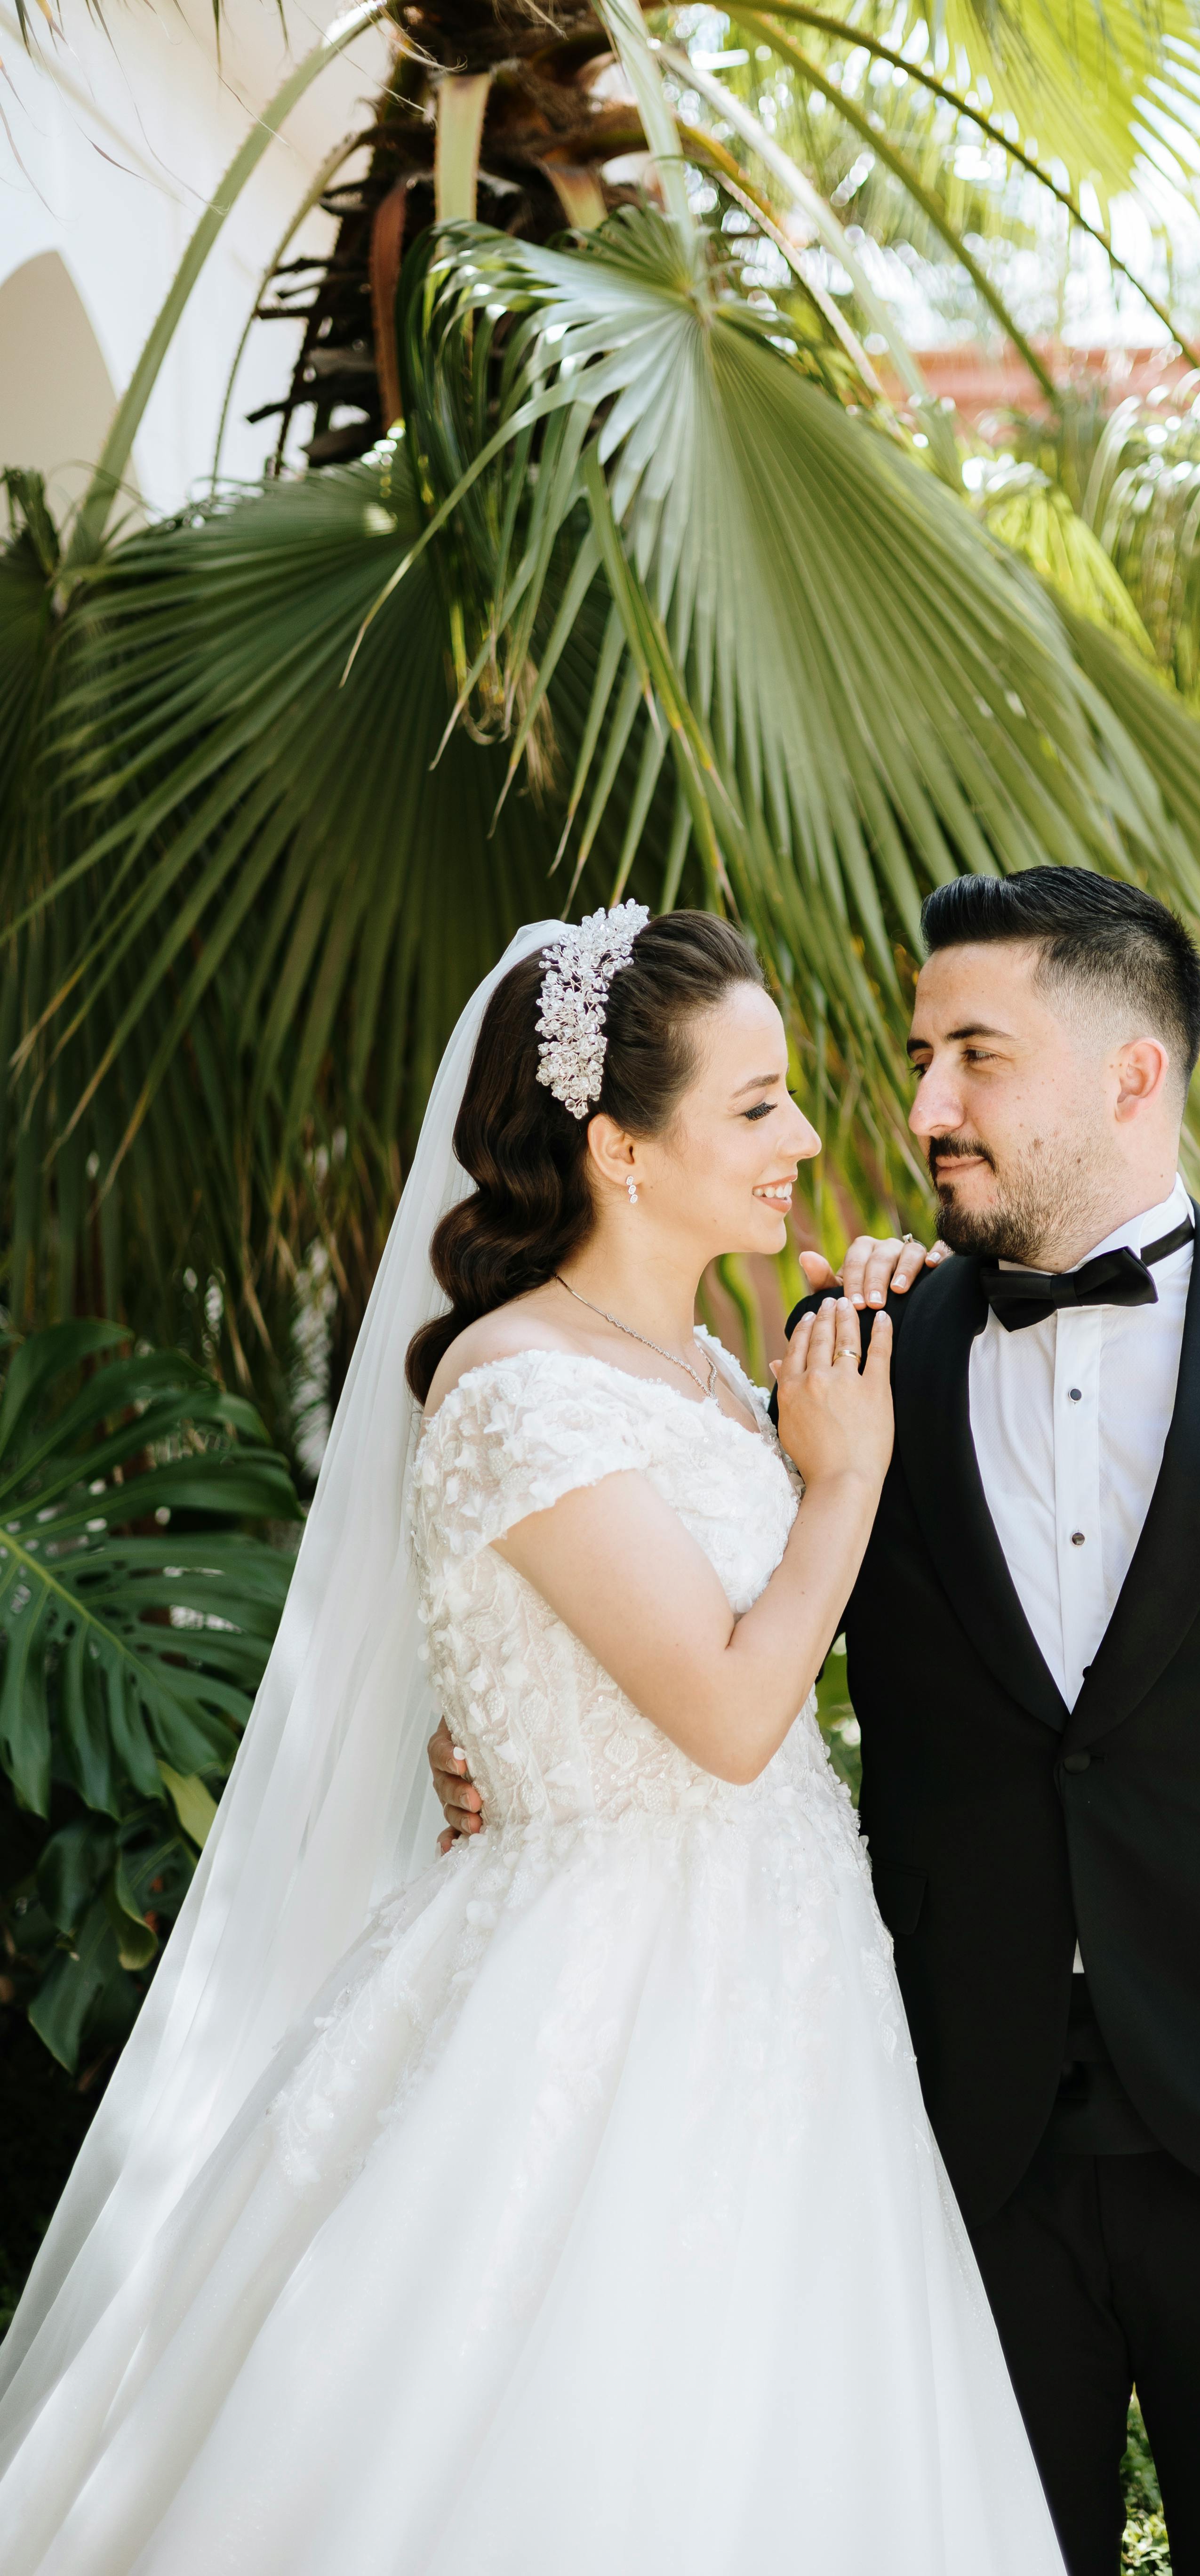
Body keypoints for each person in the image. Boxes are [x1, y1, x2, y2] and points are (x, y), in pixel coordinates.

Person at [434, 866, 1200, 2576]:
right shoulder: (844, 1360)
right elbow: (716, 1627)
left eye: (977, 1057)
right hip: (953, 2137)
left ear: (1129, 1077)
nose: (925, 1105)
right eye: (919, 1053)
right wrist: (503, 1746)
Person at [0, 910, 1066, 2575]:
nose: (807, 1137)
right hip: (605, 1977)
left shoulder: (711, 1367)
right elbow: (722, 1713)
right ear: (623, 1150)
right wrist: (843, 1476)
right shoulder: (517, 1385)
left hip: (781, 1967)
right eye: (759, 1105)